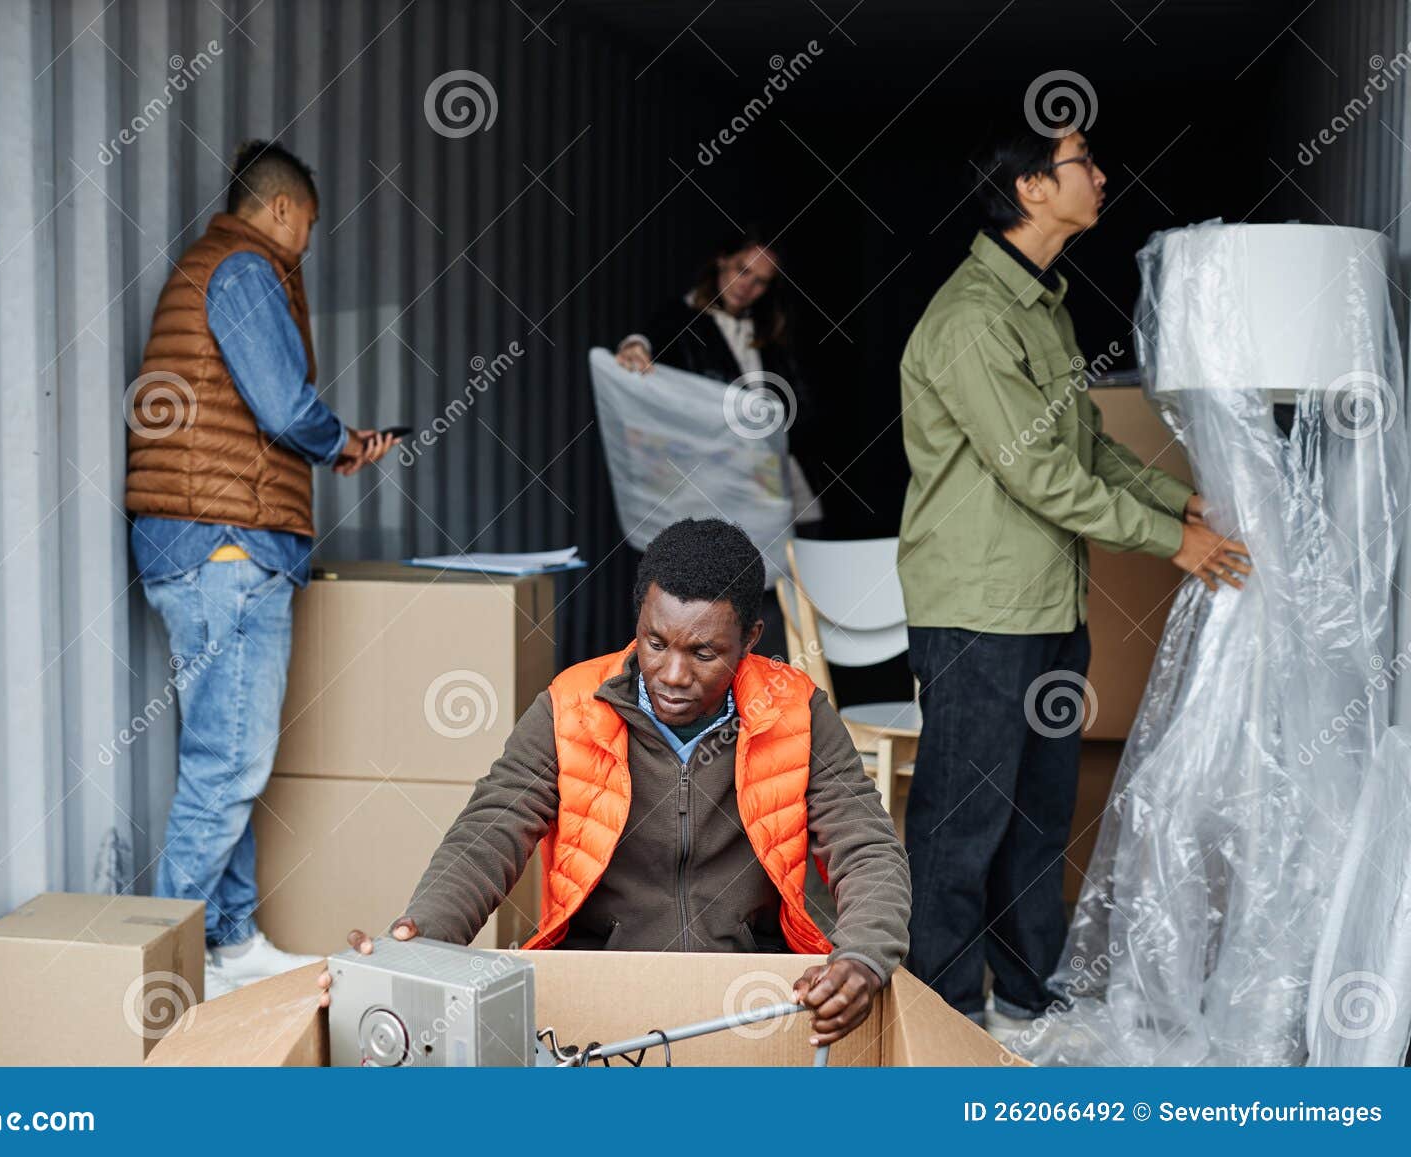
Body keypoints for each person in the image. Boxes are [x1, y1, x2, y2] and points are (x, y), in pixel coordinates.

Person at [895, 117, 1251, 1038]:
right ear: (1031, 190)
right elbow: (1040, 475)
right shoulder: (973, 319)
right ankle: (933, 1011)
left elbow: (1086, 447)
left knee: (1040, 810)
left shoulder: (1041, 303)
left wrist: (1184, 505)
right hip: (980, 609)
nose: (1101, 174)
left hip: (1048, 603)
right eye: (1082, 162)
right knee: (962, 821)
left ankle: (1023, 992)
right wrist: (1167, 542)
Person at [319, 518, 911, 1047]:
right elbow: (490, 830)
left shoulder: (798, 712)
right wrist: (419, 938)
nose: (673, 675)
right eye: (656, 643)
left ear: (751, 639)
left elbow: (866, 847)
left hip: (752, 990)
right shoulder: (571, 706)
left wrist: (861, 956)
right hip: (596, 983)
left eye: (704, 653)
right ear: (639, 620)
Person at [126, 139, 398, 998]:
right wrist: (343, 440)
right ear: (281, 209)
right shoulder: (244, 269)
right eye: (309, 225)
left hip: (209, 542)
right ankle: (156, 967)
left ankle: (231, 943)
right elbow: (282, 404)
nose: (308, 243)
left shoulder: (218, 268)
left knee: (225, 757)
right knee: (230, 764)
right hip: (226, 546)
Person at [613, 231, 823, 658]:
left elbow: (798, 404)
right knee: (717, 574)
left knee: (779, 572)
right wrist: (634, 348)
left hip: (767, 474)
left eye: (761, 280)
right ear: (721, 263)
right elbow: (646, 344)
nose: (748, 285)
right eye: (742, 271)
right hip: (711, 478)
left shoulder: (771, 329)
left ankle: (776, 680)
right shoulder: (683, 317)